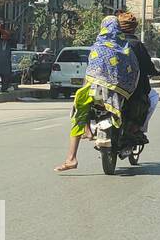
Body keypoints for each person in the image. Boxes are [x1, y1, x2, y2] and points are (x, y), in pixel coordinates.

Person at [55, 16, 142, 172]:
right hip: (116, 94)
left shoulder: (97, 46)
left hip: (94, 91)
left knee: (78, 113)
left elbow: (90, 72)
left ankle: (71, 158)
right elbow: (134, 71)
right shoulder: (125, 48)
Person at [115, 11, 158, 138]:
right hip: (136, 89)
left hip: (111, 86)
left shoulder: (110, 42)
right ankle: (138, 128)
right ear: (133, 28)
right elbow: (148, 66)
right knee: (153, 98)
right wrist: (156, 72)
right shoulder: (137, 45)